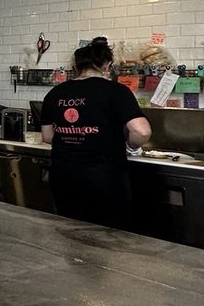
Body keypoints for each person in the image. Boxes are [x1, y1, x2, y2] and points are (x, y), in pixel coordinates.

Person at [41, 39, 151, 228]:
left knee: (70, 232)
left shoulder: (55, 93)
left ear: (76, 66)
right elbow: (142, 131)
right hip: (104, 179)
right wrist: (131, 146)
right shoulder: (115, 91)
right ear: (107, 65)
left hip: (64, 177)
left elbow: (48, 136)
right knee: (108, 236)